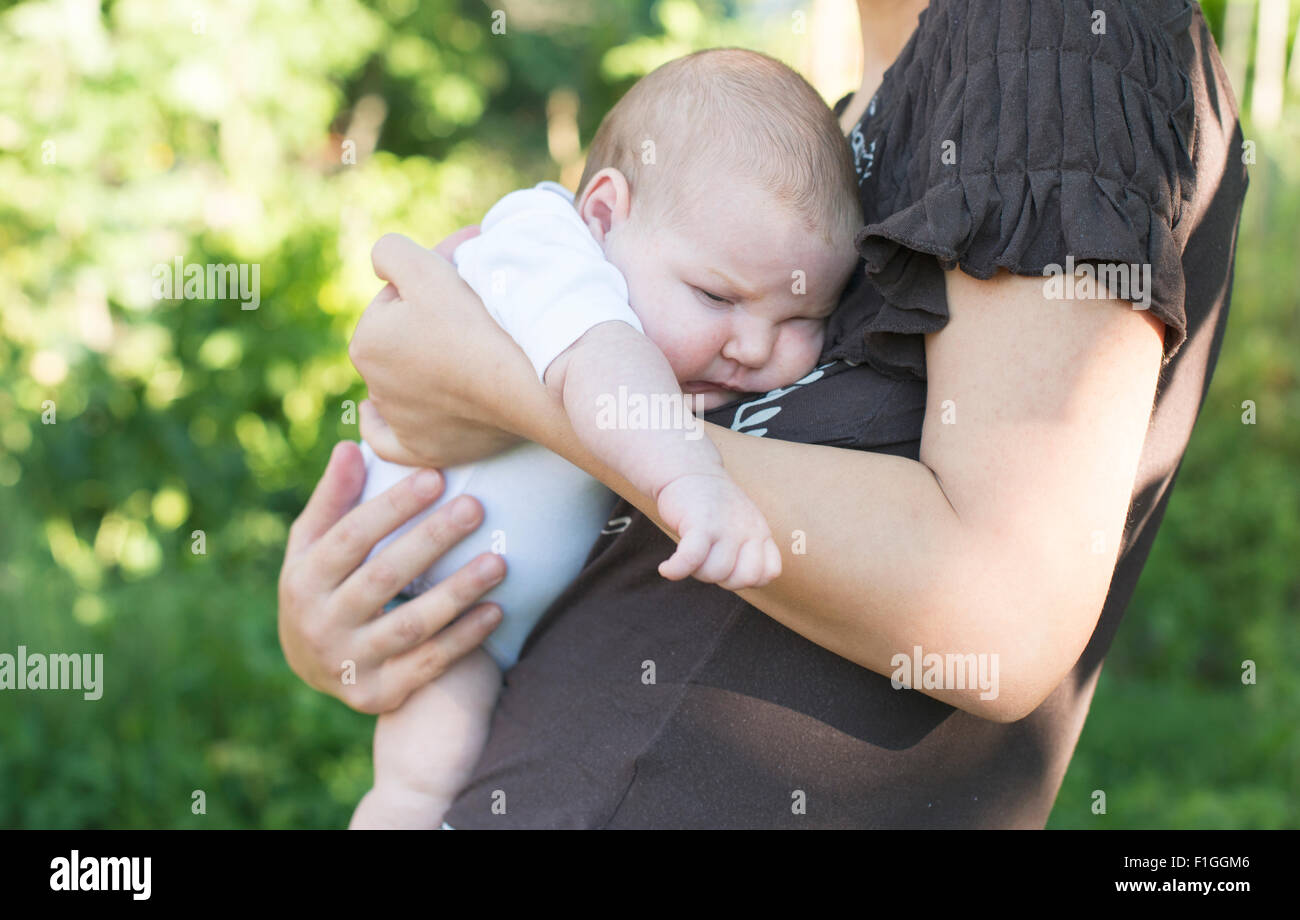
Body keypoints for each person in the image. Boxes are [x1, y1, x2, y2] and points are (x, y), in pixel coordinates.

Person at [278, 0, 1247, 827]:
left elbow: (999, 612)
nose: (753, 341)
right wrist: (363, 617)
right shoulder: (824, 128)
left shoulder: (1050, 40)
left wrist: (499, 383)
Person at [348, 49, 862, 828]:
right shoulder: (545, 242)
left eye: (802, 319)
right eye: (715, 295)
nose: (756, 348)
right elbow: (605, 370)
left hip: (510, 624)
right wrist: (694, 480)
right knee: (418, 783)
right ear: (604, 214)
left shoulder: (687, 311)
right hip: (432, 589)